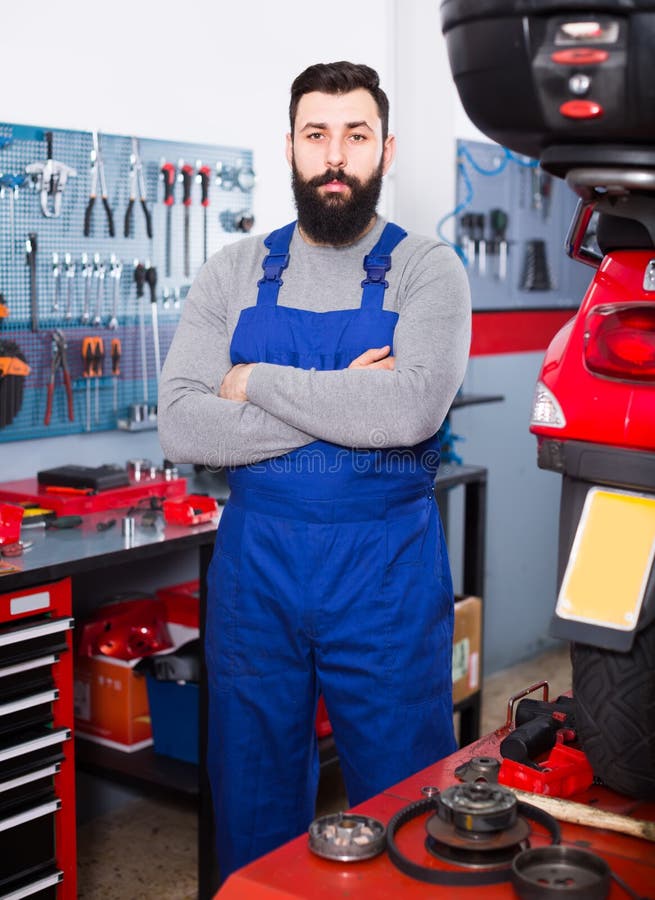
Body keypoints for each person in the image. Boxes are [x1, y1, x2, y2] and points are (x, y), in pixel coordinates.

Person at [158, 60, 471, 881]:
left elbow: (406, 415)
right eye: (316, 134)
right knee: (251, 793)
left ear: (386, 149)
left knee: (406, 793)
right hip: (255, 571)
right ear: (290, 148)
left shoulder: (426, 269)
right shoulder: (232, 270)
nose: (336, 155)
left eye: (355, 135)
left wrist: (252, 380)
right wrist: (344, 404)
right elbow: (184, 423)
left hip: (384, 576)